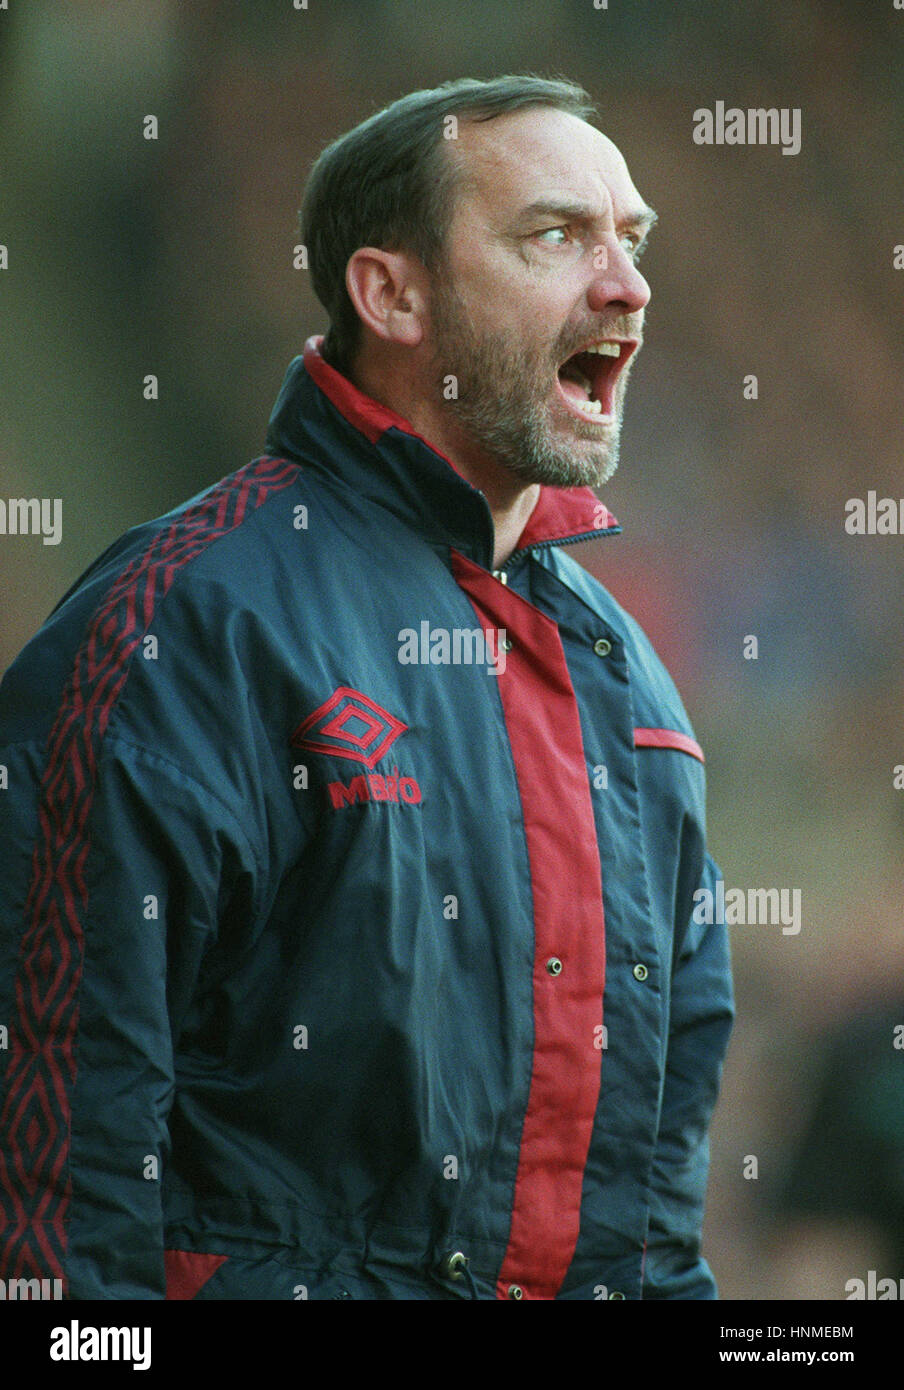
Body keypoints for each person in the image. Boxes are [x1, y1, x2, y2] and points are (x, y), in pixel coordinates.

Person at [0, 75, 733, 1301]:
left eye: (631, 239)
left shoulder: (632, 690)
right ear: (389, 293)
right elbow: (50, 1215)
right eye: (556, 235)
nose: (627, 286)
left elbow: (651, 1234)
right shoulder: (184, 627)